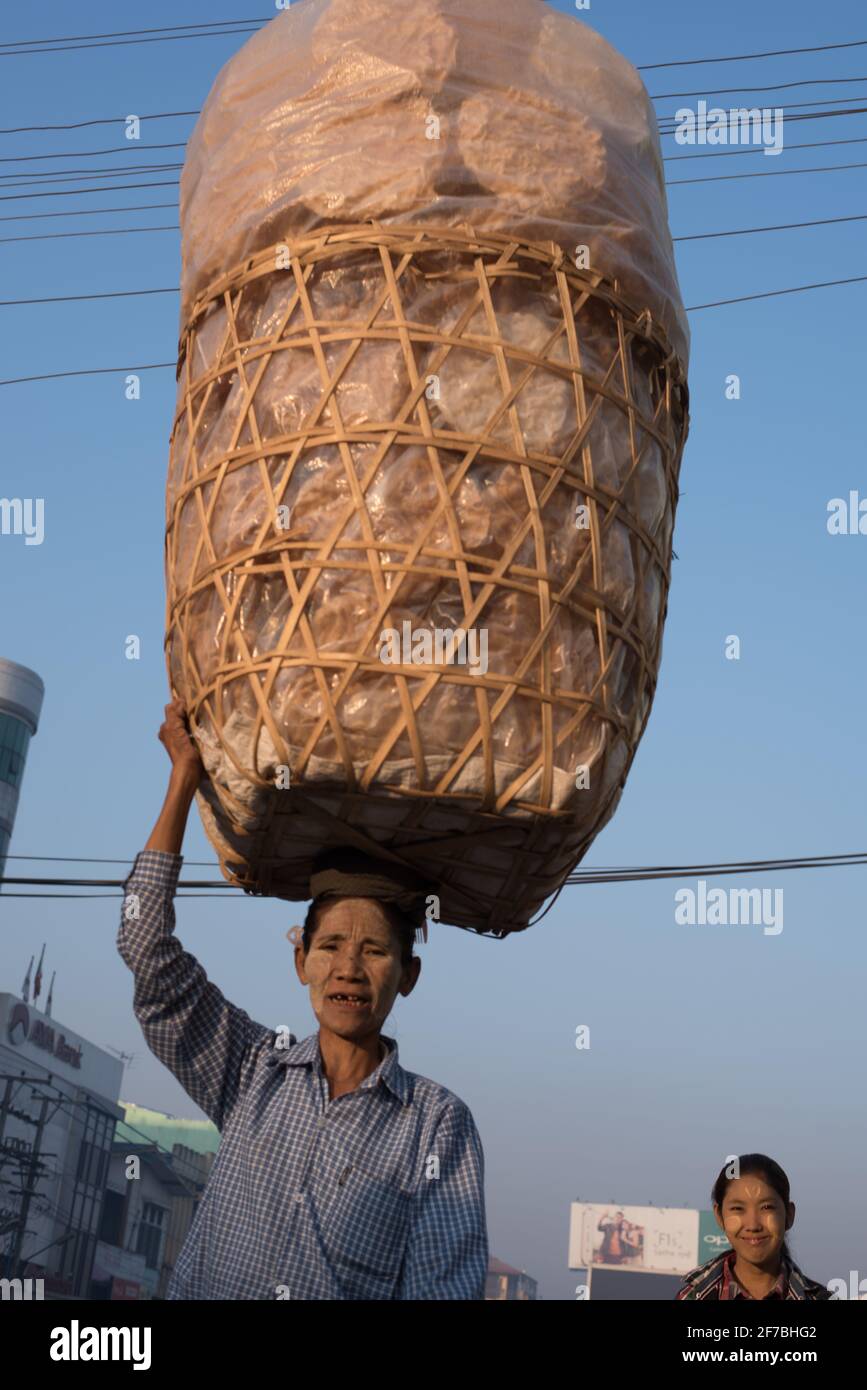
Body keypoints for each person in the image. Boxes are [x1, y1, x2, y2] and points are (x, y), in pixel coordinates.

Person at [117, 698, 489, 1300]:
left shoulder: (437, 1127)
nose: (348, 969)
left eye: (373, 951)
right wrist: (183, 776)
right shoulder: (250, 1071)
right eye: (332, 946)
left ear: (408, 974)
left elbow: (439, 1291)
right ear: (301, 962)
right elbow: (143, 943)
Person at [675, 1154, 830, 1301]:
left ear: (789, 1215)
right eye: (737, 1208)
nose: (753, 1225)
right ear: (719, 1216)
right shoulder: (693, 1297)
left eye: (767, 1207)